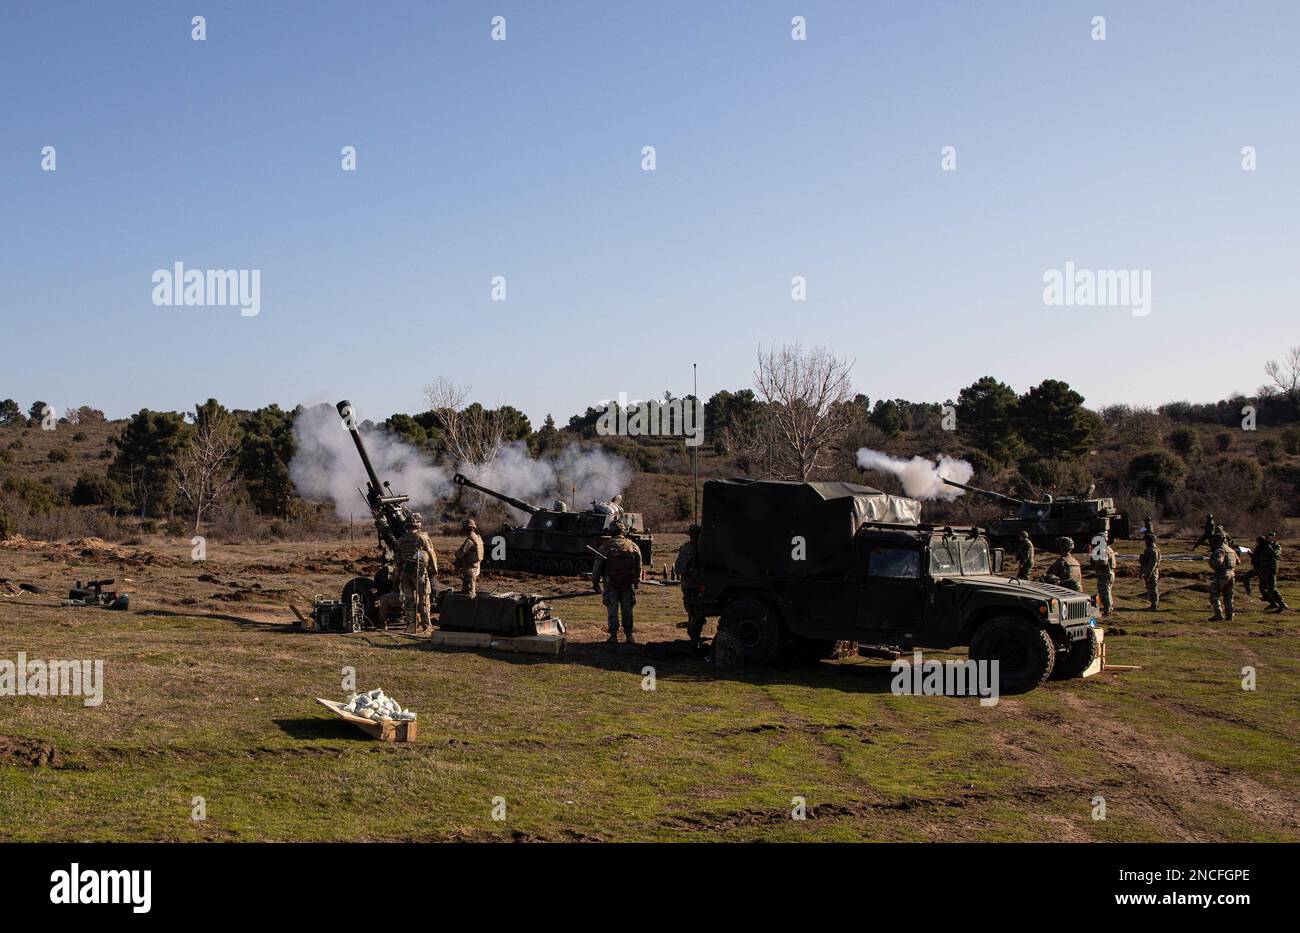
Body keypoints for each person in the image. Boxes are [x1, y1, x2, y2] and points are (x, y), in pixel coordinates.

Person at [592, 521, 643, 645]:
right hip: (627, 582)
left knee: (612, 609)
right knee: (627, 609)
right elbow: (639, 565)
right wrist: (636, 580)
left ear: (611, 531)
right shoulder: (633, 546)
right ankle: (629, 636)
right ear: (623, 531)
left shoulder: (606, 547)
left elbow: (597, 567)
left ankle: (613, 636)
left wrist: (595, 583)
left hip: (611, 582)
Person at [396, 512, 436, 633]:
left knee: (408, 600)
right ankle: (426, 626)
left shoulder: (401, 540)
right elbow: (431, 554)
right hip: (419, 574)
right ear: (417, 525)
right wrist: (434, 570)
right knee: (424, 599)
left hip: (405, 573)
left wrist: (399, 572)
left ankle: (411, 625)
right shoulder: (421, 538)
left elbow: (397, 558)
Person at [673, 524, 706, 644]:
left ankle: (694, 636)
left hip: (690, 585)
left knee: (693, 611)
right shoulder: (708, 549)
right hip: (706, 585)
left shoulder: (686, 549)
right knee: (697, 612)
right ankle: (695, 634)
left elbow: (679, 569)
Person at [1207, 532, 1238, 621]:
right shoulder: (1231, 550)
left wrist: (1210, 562)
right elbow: (1238, 561)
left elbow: (1218, 562)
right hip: (1232, 573)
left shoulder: (1220, 550)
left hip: (1222, 574)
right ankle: (1230, 615)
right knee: (1228, 596)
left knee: (1214, 594)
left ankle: (1218, 613)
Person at [453, 518, 484, 597]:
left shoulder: (470, 540)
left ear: (466, 529)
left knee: (470, 593)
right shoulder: (477, 538)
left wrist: (456, 553)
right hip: (475, 566)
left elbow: (460, 554)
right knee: (467, 590)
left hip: (470, 568)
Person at [1091, 540, 1117, 615]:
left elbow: (1103, 562)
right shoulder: (1109, 549)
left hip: (1105, 574)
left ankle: (1107, 610)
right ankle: (1109, 608)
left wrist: (1094, 559)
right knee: (1107, 592)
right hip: (1109, 573)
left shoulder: (1103, 550)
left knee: (1104, 593)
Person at [1138, 533, 1161, 610]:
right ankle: (1152, 604)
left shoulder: (1153, 550)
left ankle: (1154, 605)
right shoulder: (1149, 549)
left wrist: (1148, 574)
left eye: (1147, 540)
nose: (1145, 542)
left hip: (1152, 572)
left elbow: (1152, 564)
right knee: (1150, 589)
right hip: (1148, 571)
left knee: (1153, 588)